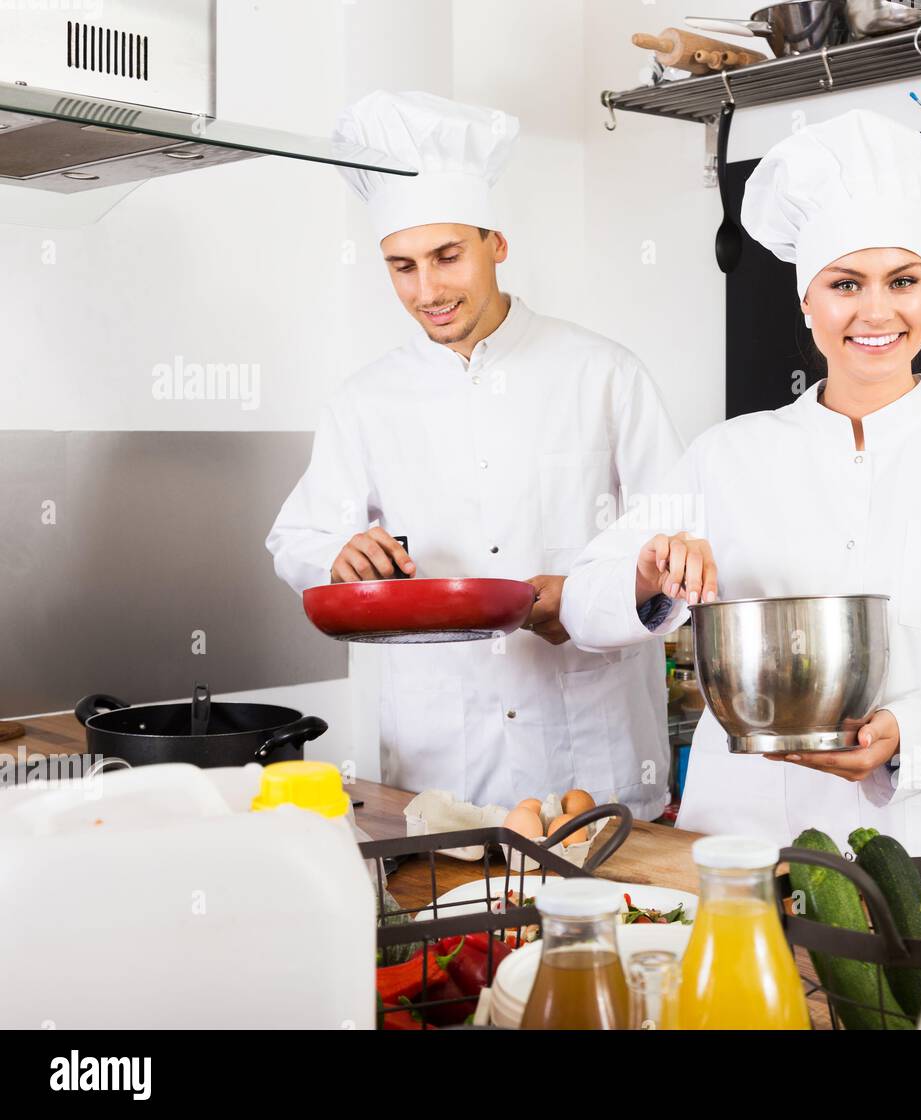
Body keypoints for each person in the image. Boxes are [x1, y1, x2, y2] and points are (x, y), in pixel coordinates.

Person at [559, 108, 921, 854]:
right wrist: (647, 575)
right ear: (807, 299)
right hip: (740, 838)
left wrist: (910, 735)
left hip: (917, 838)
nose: (877, 311)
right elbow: (581, 604)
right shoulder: (727, 453)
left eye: (902, 280)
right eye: (844, 284)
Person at [267, 91, 683, 818]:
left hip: (592, 762)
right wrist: (340, 554)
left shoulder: (605, 374)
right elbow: (297, 539)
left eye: (447, 256)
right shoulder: (365, 401)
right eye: (401, 266)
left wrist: (596, 599)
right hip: (436, 772)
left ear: (497, 244)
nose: (427, 290)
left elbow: (677, 545)